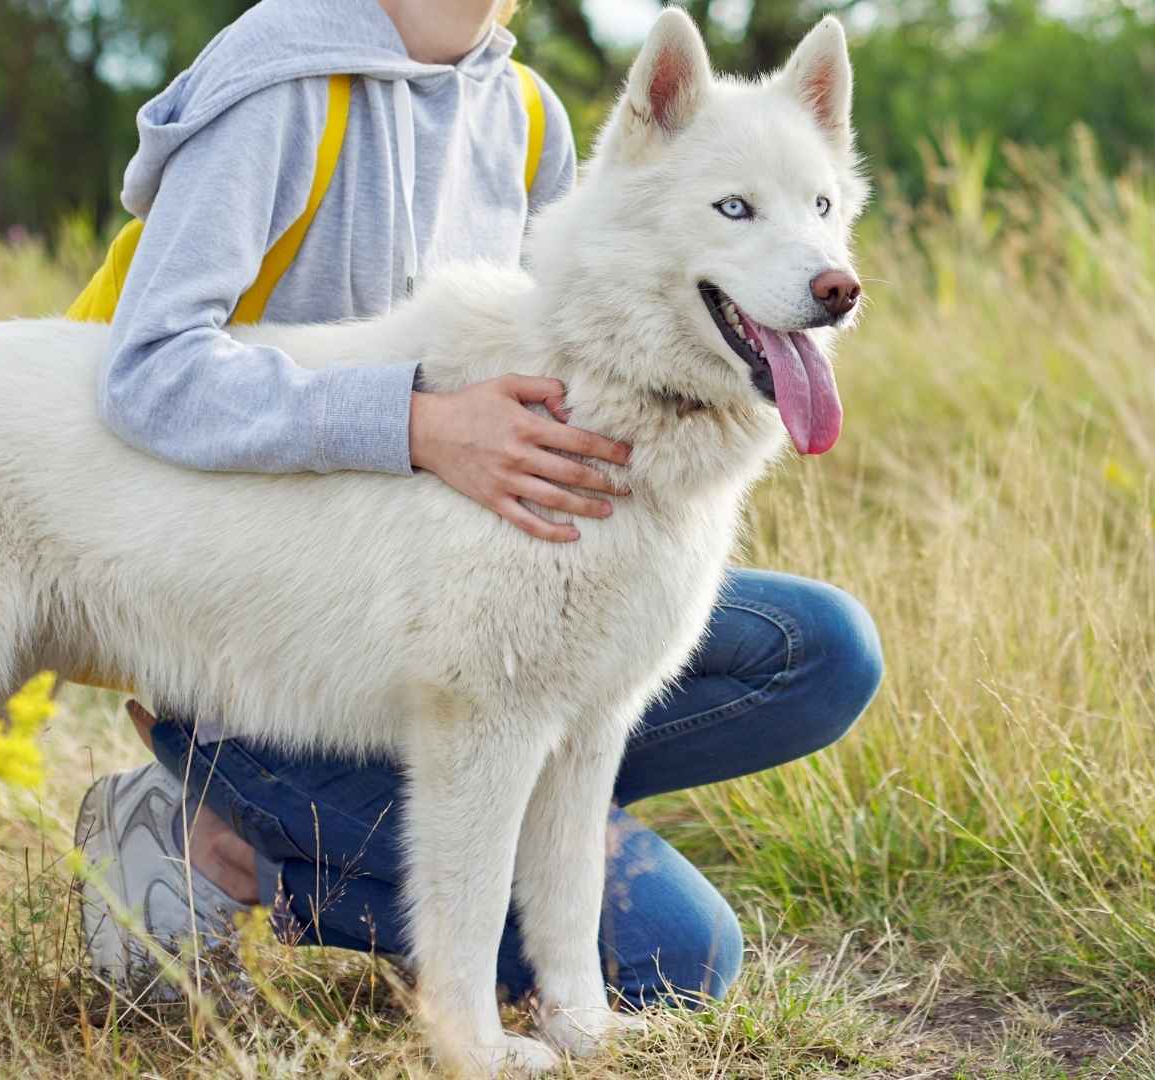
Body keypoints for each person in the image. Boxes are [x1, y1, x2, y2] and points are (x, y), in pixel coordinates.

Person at [70, 0, 883, 1006]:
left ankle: (482, 818)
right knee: (677, 961)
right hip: (270, 657)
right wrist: (416, 422)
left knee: (821, 649)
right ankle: (222, 839)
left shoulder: (529, 114)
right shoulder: (277, 88)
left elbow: (584, 330)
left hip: (458, 617)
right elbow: (148, 371)